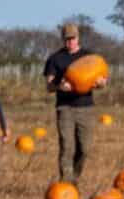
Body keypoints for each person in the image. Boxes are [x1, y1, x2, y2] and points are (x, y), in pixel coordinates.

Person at [43, 23, 107, 183]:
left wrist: (100, 83)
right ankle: (66, 182)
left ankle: (74, 177)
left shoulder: (89, 57)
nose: (70, 42)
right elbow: (49, 86)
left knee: (84, 149)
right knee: (66, 146)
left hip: (85, 107)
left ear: (78, 38)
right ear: (63, 39)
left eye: (72, 38)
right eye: (67, 39)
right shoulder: (55, 59)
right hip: (65, 108)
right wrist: (59, 86)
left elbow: (103, 80)